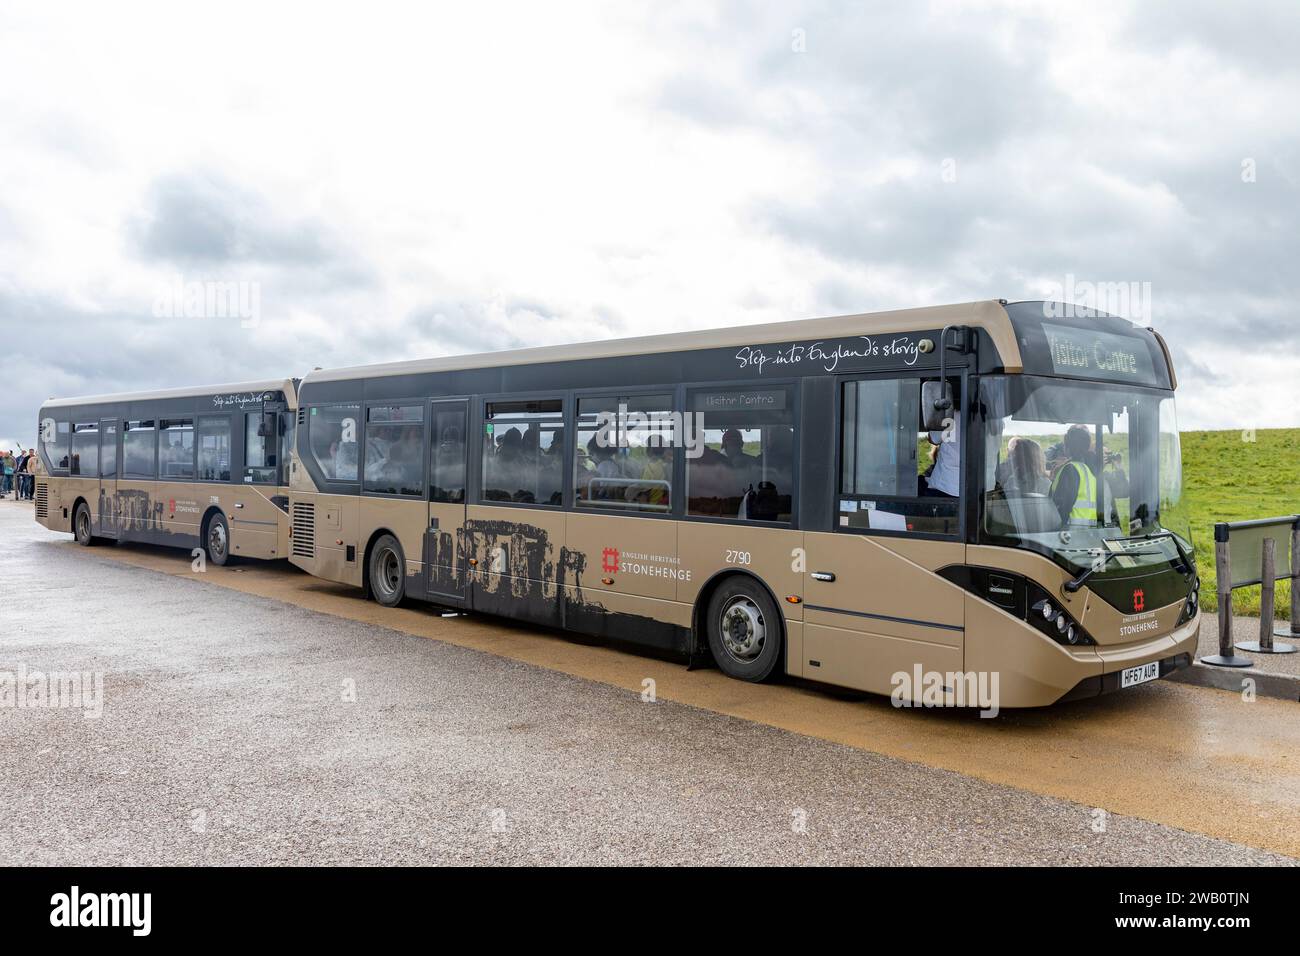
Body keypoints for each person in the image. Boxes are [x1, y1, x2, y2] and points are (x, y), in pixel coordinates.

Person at [1050, 425, 1100, 525]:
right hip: (1088, 529)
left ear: (1068, 446)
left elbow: (1063, 505)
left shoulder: (1070, 469)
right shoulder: (1088, 470)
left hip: (1069, 531)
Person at [923, 400, 960, 498]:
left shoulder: (950, 418)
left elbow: (932, 439)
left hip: (947, 487)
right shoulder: (994, 421)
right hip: (985, 486)